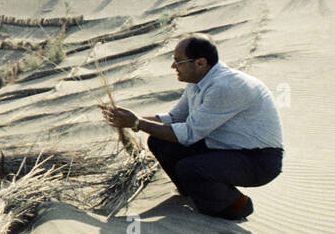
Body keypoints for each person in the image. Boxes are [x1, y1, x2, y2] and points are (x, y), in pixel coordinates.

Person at [99, 33, 283, 221]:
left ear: (200, 63)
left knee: (191, 168)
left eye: (178, 61)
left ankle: (237, 205)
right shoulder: (199, 82)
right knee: (159, 142)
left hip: (259, 160)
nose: (173, 67)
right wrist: (126, 119)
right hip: (225, 149)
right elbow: (173, 118)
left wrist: (136, 123)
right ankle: (196, 193)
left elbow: (188, 134)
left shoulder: (225, 87)